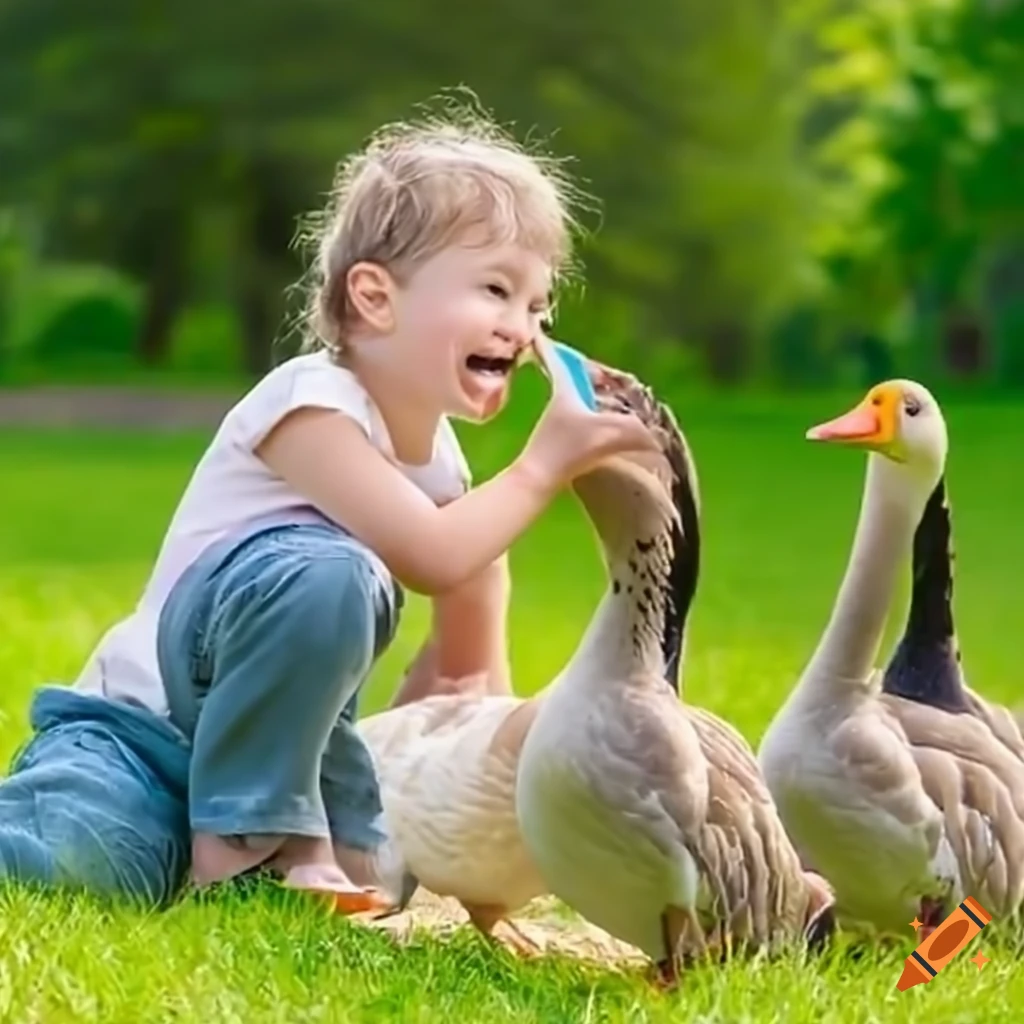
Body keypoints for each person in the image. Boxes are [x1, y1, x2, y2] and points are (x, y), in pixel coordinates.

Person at [0, 104, 655, 913]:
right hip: (146, 740)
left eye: (539, 306)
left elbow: (468, 641)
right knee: (72, 855)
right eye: (496, 289)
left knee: (380, 875)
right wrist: (541, 466)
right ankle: (244, 842)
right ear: (375, 298)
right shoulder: (308, 407)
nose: (523, 330)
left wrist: (451, 762)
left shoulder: (441, 461)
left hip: (300, 762)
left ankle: (246, 843)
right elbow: (434, 555)